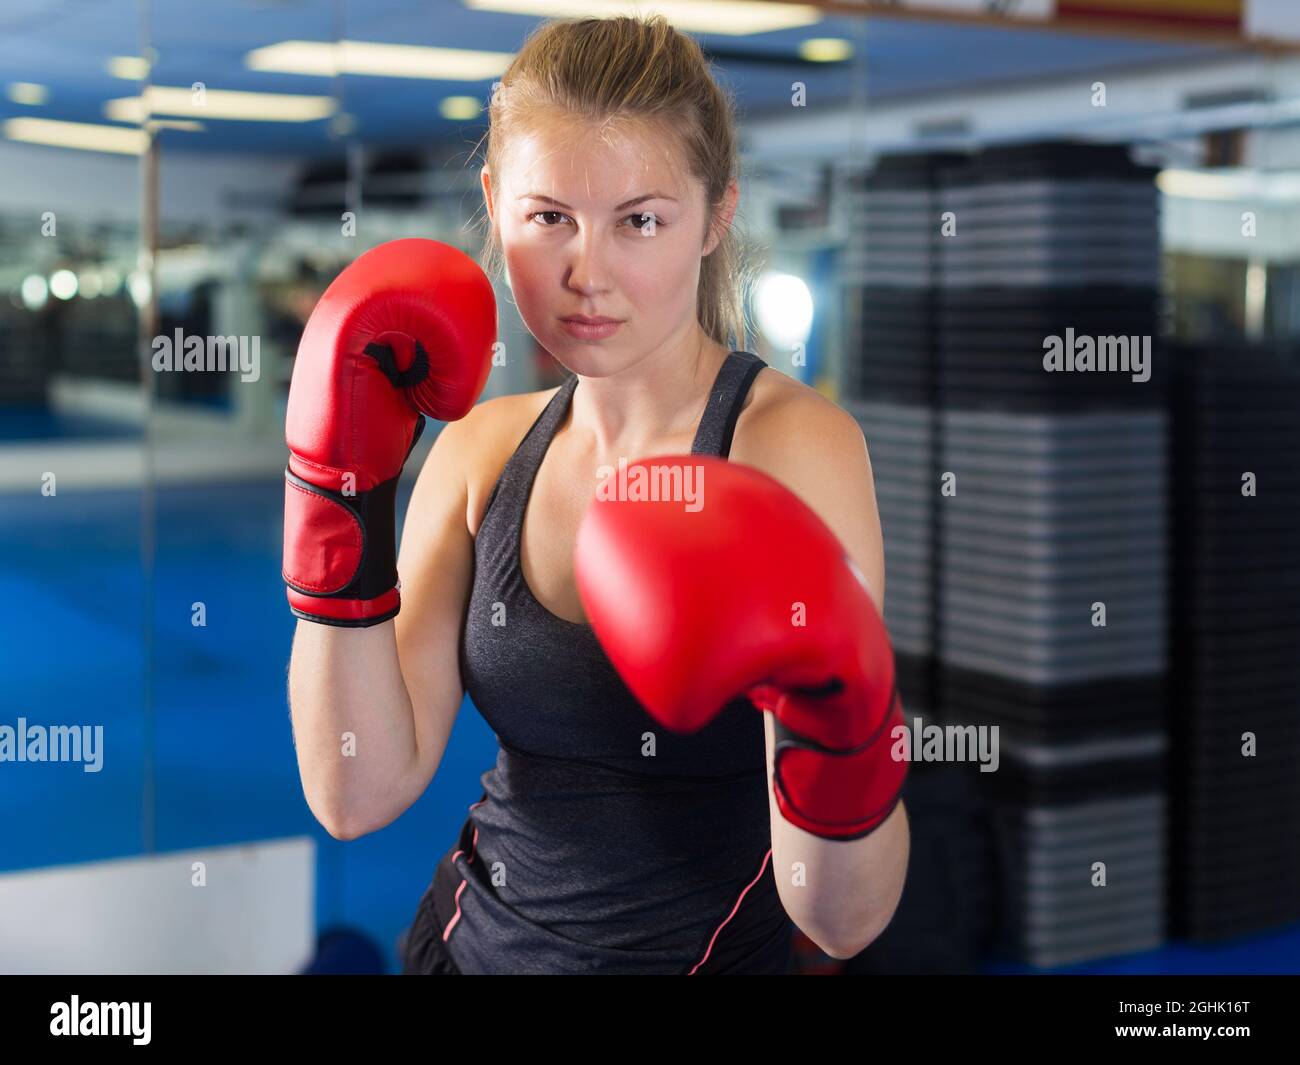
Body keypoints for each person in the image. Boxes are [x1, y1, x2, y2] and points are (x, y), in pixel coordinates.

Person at [286, 14, 909, 975]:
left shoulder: (787, 447)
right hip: (463, 951)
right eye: (549, 218)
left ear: (716, 217)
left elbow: (841, 921)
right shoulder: (484, 449)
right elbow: (353, 791)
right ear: (494, 204)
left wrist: (840, 703)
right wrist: (336, 497)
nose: (587, 272)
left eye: (640, 220)